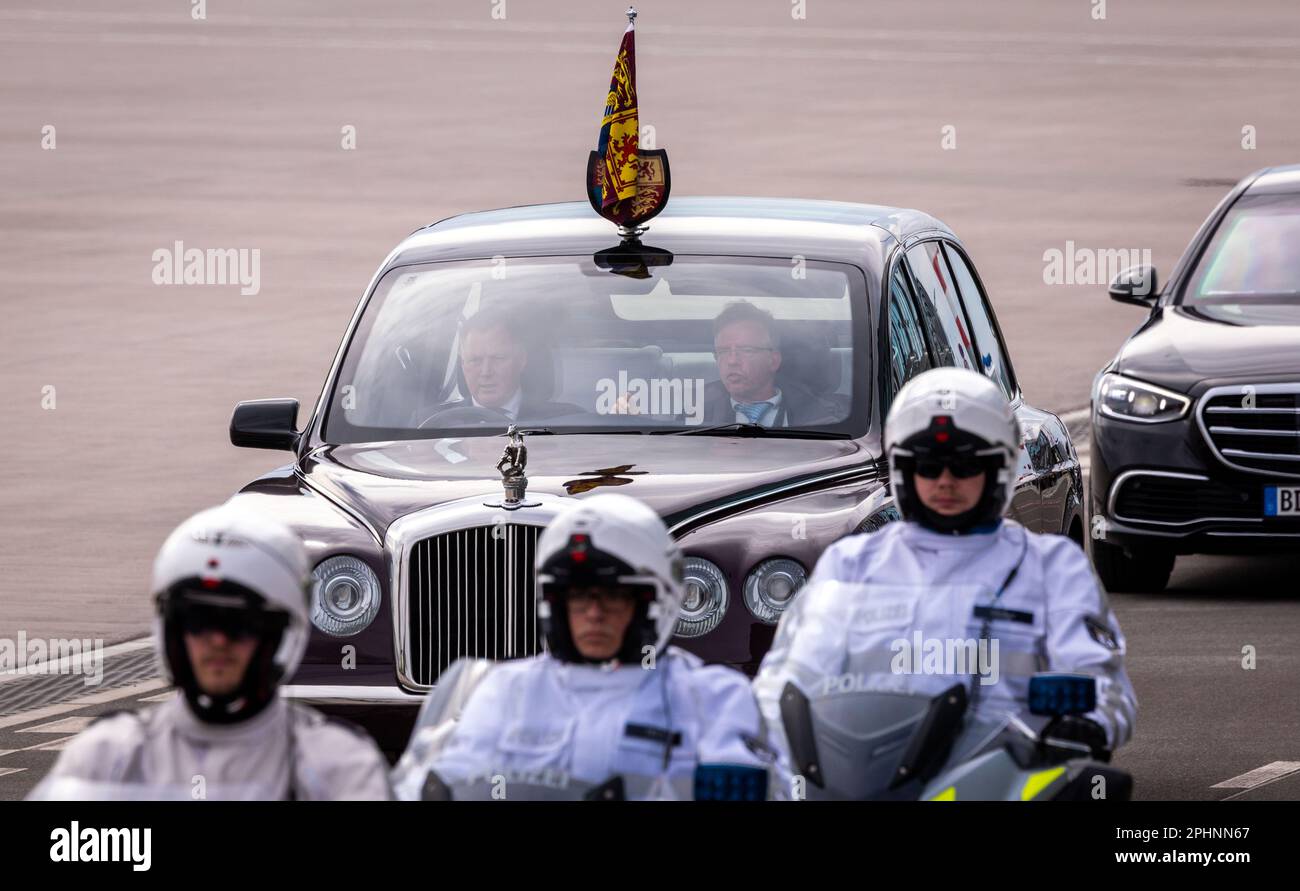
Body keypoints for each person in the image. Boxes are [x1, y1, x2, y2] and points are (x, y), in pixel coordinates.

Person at [752, 367, 1136, 771]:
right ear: (903, 471)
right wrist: (763, 742)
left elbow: (1103, 687)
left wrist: (1087, 723)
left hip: (1008, 776)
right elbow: (787, 681)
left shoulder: (1052, 568)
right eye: (928, 466)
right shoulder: (853, 564)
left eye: (965, 466)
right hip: (870, 776)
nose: (945, 481)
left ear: (1000, 468)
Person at [394, 493, 780, 801]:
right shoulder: (504, 690)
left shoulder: (712, 698)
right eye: (578, 597)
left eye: (612, 597)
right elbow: (436, 784)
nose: (593, 614)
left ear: (653, 604)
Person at [29, 504, 391, 801]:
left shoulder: (336, 764)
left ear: (277, 634)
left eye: (239, 624)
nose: (218, 641)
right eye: (199, 621)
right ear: (172, 630)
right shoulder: (108, 755)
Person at [704, 301, 838, 427]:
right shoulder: (696, 412)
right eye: (723, 351)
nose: (732, 361)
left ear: (773, 360)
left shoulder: (825, 418)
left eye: (746, 350)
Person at [434, 309, 581, 422]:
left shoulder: (568, 422)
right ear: (463, 364)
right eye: (475, 360)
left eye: (498, 358)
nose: (486, 372)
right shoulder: (433, 425)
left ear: (521, 360)